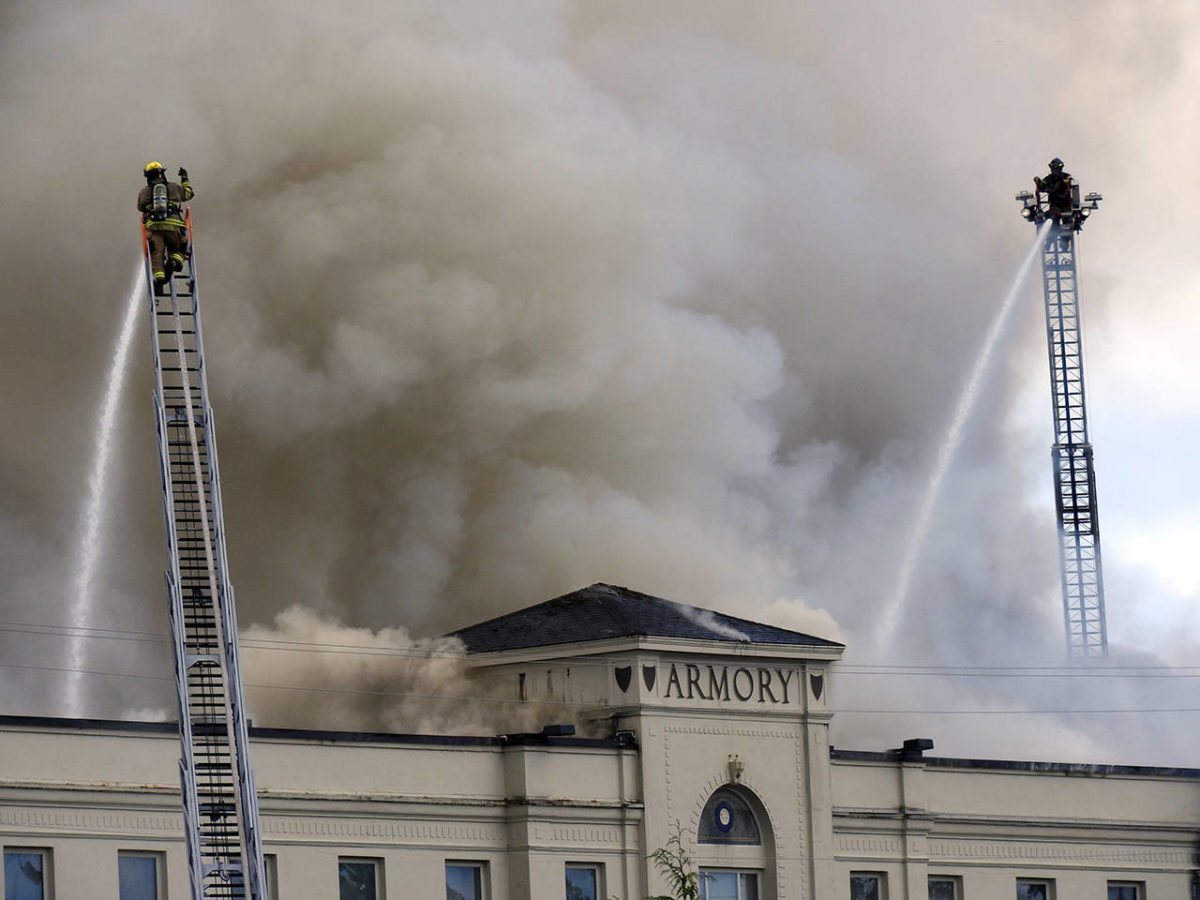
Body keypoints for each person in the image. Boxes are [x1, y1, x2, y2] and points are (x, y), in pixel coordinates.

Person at [138, 161, 194, 294]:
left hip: (154, 229)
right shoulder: (174, 187)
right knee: (178, 250)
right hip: (174, 227)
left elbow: (140, 208)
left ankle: (159, 282)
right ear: (162, 173)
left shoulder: (144, 192)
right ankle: (174, 262)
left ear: (148, 176)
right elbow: (189, 194)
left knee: (156, 255)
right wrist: (185, 178)